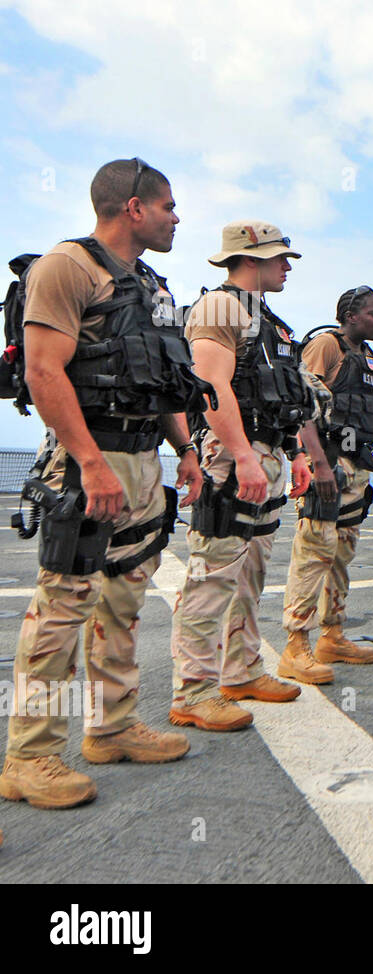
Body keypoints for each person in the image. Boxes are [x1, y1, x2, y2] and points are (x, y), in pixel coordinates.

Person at [0, 159, 207, 811]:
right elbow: (42, 370)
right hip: (89, 455)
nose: (178, 217)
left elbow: (163, 384)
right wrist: (89, 463)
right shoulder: (69, 267)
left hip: (145, 461)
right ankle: (30, 756)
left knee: (123, 602)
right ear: (134, 208)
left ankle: (111, 728)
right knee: (63, 606)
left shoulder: (150, 285)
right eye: (169, 206)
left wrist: (186, 452)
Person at [167, 222, 322, 731]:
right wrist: (243, 455)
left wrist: (295, 454)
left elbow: (283, 397)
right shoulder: (219, 307)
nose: (288, 266)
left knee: (251, 571)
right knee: (214, 573)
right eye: (280, 257)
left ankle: (241, 669)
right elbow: (211, 385)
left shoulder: (269, 321)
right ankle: (193, 692)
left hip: (268, 451)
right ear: (251, 259)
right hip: (234, 456)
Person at [279, 286, 373, 680]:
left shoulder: (369, 358)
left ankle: (332, 634)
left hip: (356, 466)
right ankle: (295, 645)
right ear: (350, 315)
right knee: (315, 551)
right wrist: (317, 464)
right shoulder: (327, 346)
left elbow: (364, 406)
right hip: (326, 464)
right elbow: (302, 406)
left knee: (342, 553)